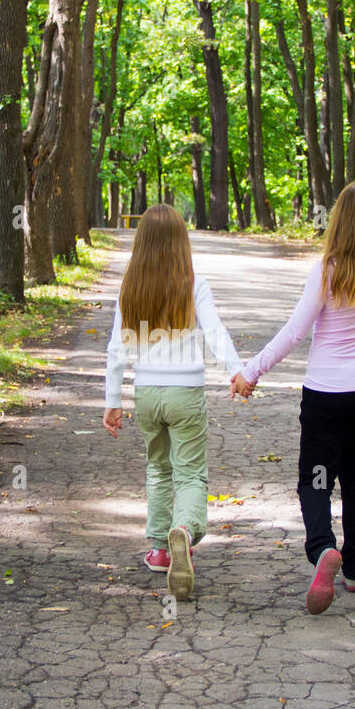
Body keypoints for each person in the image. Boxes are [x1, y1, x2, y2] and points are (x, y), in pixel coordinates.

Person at [230, 182, 355, 615]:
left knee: (317, 478)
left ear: (339, 222)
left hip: (327, 392)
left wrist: (250, 372)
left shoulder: (326, 269)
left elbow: (294, 332)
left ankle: (324, 548)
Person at [104, 204, 246, 600]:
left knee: (158, 468)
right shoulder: (193, 282)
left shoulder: (130, 286)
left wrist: (112, 401)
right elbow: (215, 333)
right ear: (181, 242)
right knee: (190, 473)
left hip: (147, 393)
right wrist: (237, 372)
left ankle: (159, 549)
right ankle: (184, 529)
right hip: (185, 393)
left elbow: (117, 349)